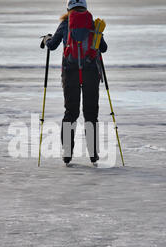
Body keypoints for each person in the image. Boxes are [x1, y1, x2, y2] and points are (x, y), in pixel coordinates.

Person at [42, 0, 107, 166]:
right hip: (91, 73)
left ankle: (67, 152)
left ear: (68, 8)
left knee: (71, 112)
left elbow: (53, 45)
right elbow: (103, 48)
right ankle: (93, 154)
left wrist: (46, 40)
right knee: (91, 113)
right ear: (85, 8)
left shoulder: (65, 23)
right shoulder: (92, 23)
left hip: (70, 73)